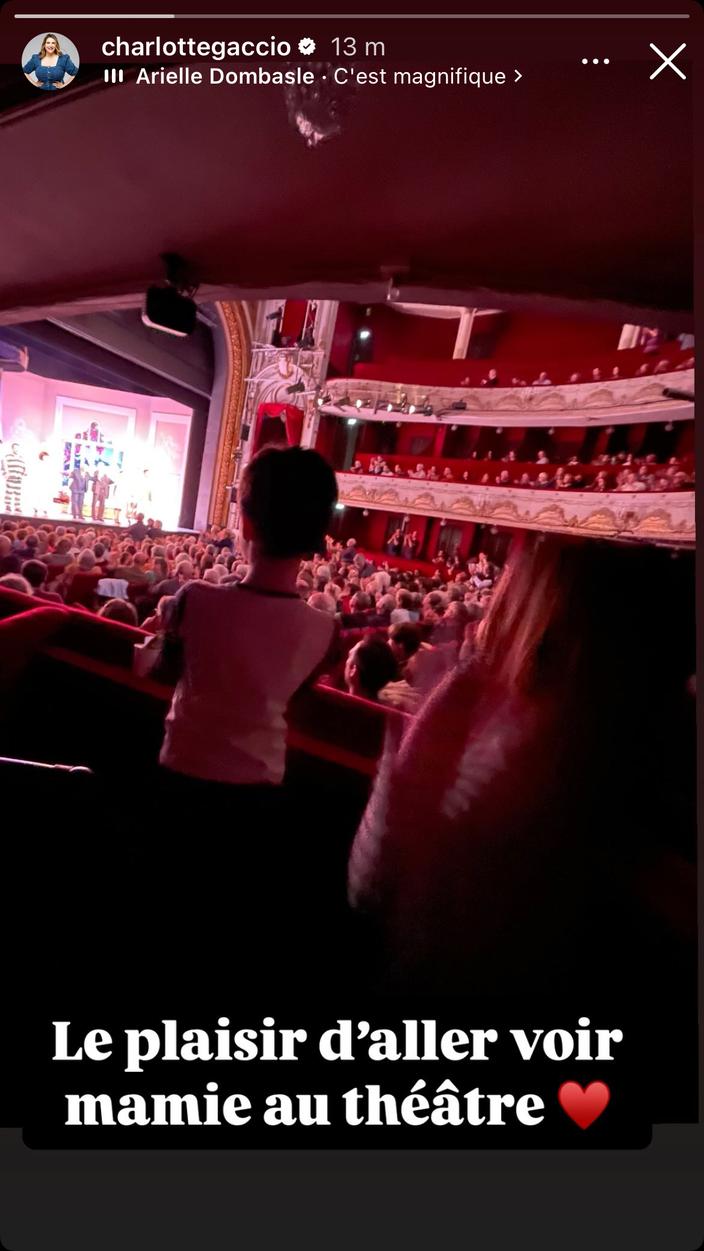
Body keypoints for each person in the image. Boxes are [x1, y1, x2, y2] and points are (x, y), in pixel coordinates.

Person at [348, 532, 696, 1010]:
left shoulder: (501, 743)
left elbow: (373, 879)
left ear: (535, 616)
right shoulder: (650, 760)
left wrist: (461, 682)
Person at [159, 445, 339, 788]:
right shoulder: (326, 631)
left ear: (246, 523)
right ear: (317, 538)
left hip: (179, 771)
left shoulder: (194, 599)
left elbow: (164, 672)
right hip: (261, 788)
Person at [344, 635, 399, 702]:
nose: (346, 662)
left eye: (349, 656)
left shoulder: (335, 710)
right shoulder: (384, 710)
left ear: (353, 671)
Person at [2, 443, 27, 513]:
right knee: (8, 493)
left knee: (18, 493)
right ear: (12, 448)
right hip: (10, 478)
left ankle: (17, 507)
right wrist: (5, 474)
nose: (16, 449)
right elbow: (3, 466)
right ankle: (8, 506)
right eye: (15, 448)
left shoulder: (21, 458)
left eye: (17, 448)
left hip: (18, 478)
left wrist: (23, 474)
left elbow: (24, 467)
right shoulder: (7, 457)